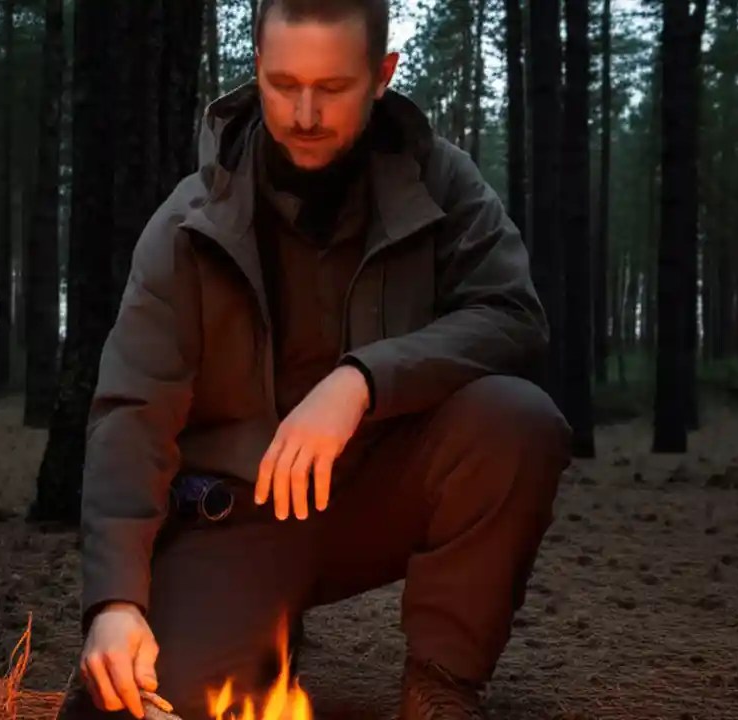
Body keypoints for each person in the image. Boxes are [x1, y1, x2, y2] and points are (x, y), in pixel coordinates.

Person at [62, 1, 572, 718]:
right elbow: (130, 415)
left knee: (517, 422)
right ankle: (245, 627)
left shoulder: (440, 182)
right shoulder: (189, 222)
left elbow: (513, 316)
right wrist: (113, 601)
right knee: (146, 702)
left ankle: (442, 681)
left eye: (331, 88)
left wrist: (363, 380)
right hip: (233, 519)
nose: (302, 113)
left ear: (382, 76)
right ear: (258, 69)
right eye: (281, 83)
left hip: (379, 492)